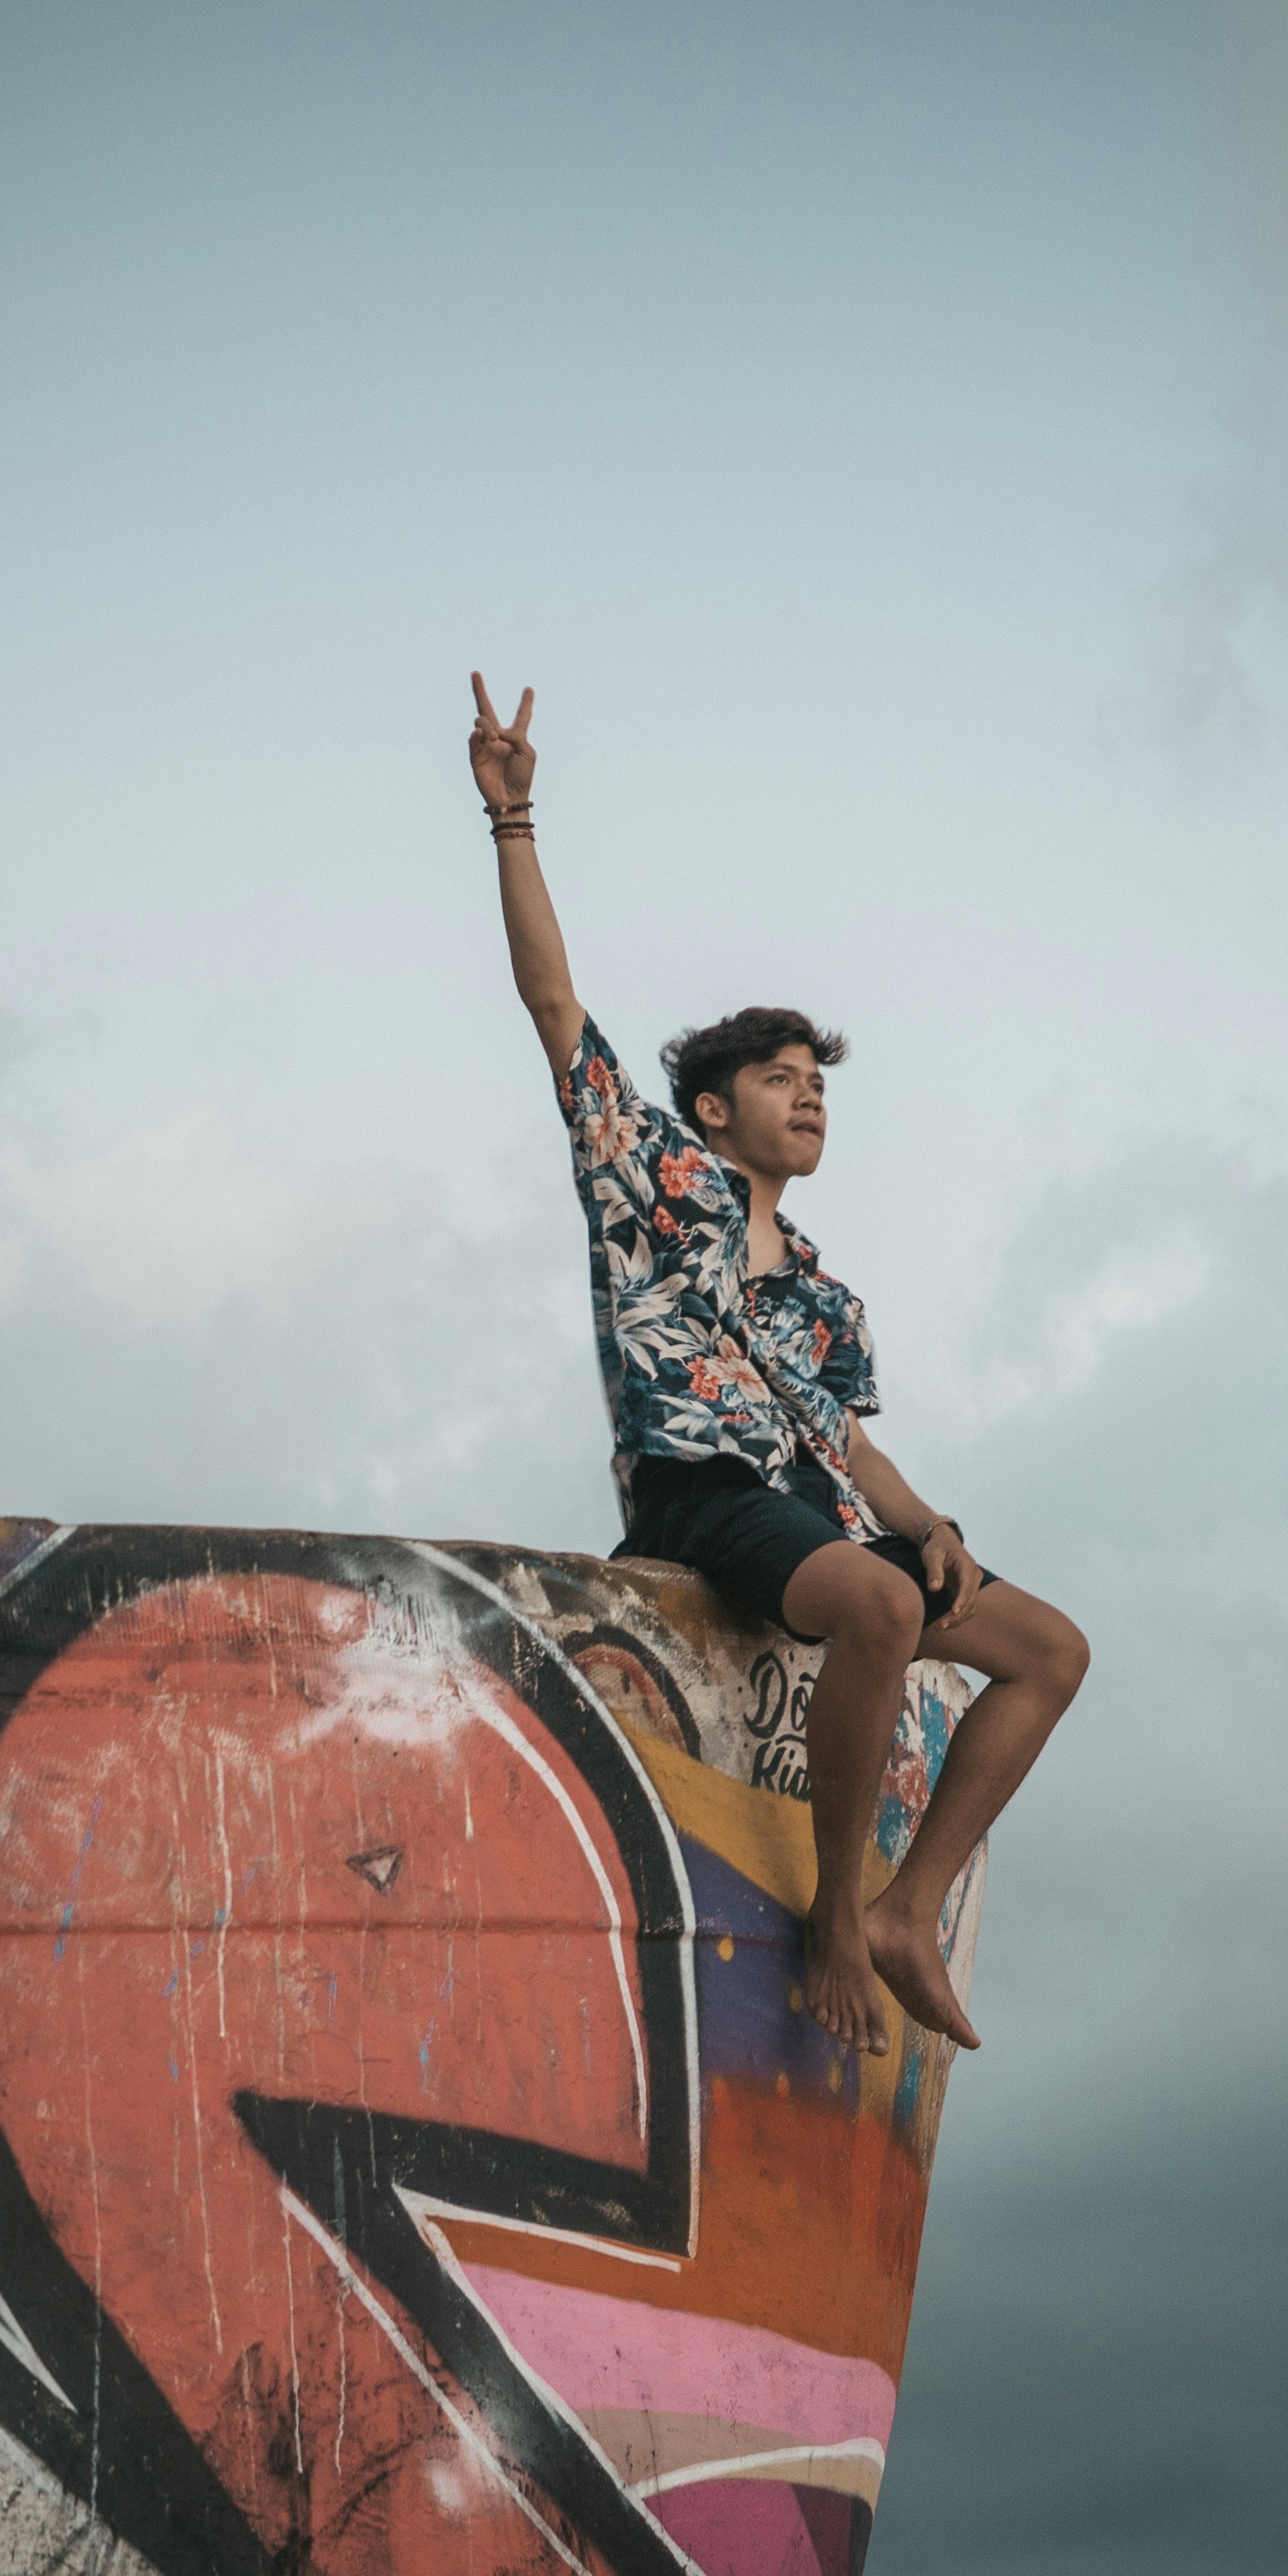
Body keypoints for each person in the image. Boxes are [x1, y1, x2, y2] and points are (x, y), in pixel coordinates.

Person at [469, 670, 1087, 2059]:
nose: (811, 1095)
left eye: (822, 1081)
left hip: (815, 1514)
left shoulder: (824, 1295)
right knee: (872, 1604)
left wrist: (933, 1528)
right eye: (783, 1077)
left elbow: (855, 1448)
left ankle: (902, 1912)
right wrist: (514, 819)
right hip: (699, 1499)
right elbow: (556, 1003)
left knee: (1048, 1649)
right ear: (711, 1108)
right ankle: (829, 1917)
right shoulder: (650, 1177)